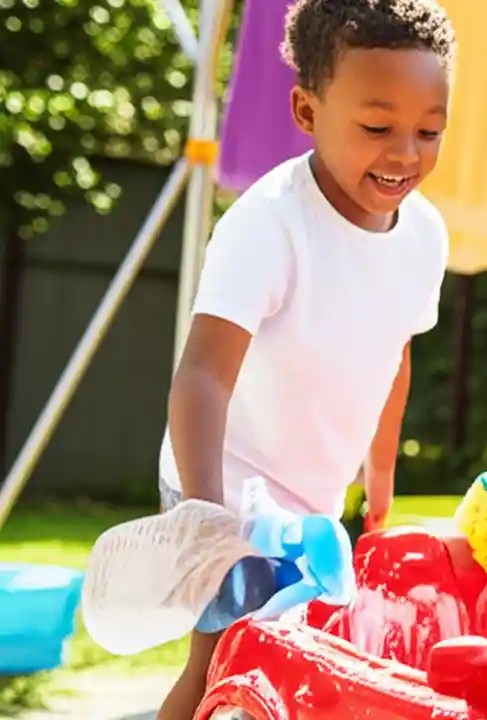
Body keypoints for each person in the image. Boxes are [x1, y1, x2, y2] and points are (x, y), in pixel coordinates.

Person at [154, 0, 456, 716]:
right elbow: (201, 376)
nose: (405, 153)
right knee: (224, 663)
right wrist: (208, 515)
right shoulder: (270, 224)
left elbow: (395, 355)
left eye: (429, 130)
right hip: (227, 484)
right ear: (306, 110)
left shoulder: (424, 236)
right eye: (378, 128)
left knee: (296, 676)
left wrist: (380, 472)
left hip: (311, 502)